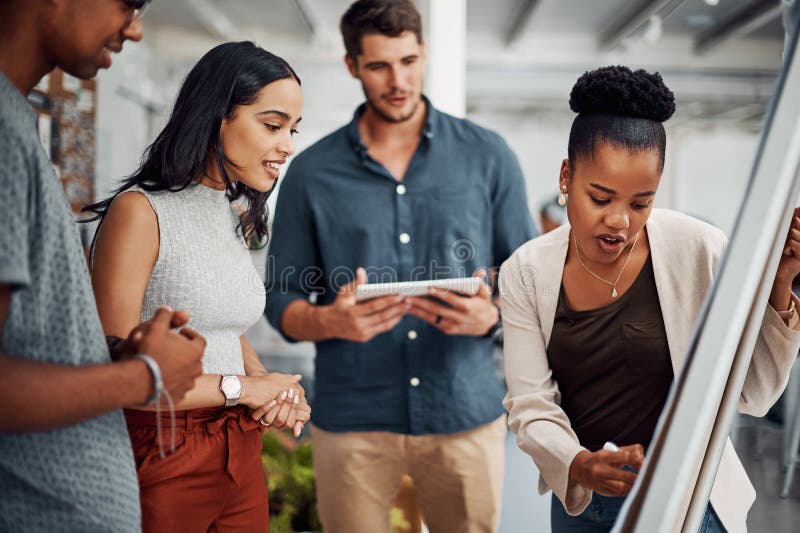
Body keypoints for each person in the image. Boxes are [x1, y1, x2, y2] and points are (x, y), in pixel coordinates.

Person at [264, 1, 536, 531]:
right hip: (354, 424)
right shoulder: (312, 173)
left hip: (463, 416)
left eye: (409, 61)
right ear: (351, 66)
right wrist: (328, 321)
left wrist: (493, 315)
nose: (398, 80)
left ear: (425, 52)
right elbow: (281, 302)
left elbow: (529, 283)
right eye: (379, 66)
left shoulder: (489, 156)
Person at [499, 66, 800, 533]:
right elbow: (531, 404)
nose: (619, 220)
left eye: (641, 203)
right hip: (586, 505)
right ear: (566, 176)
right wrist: (578, 464)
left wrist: (779, 286)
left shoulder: (699, 248)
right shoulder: (526, 270)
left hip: (695, 503)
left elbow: (754, 395)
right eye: (600, 198)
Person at [84, 41, 311, 532]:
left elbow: (221, 324)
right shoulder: (140, 212)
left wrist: (269, 387)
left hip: (237, 445)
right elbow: (112, 369)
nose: (287, 145)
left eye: (292, 130)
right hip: (161, 449)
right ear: (216, 118)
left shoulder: (234, 209)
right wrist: (244, 388)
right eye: (273, 126)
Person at [0, 1, 206, 531]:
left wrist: (108, 355)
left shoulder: (15, 123)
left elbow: (24, 342)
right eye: (129, 3)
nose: (135, 29)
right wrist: (144, 376)